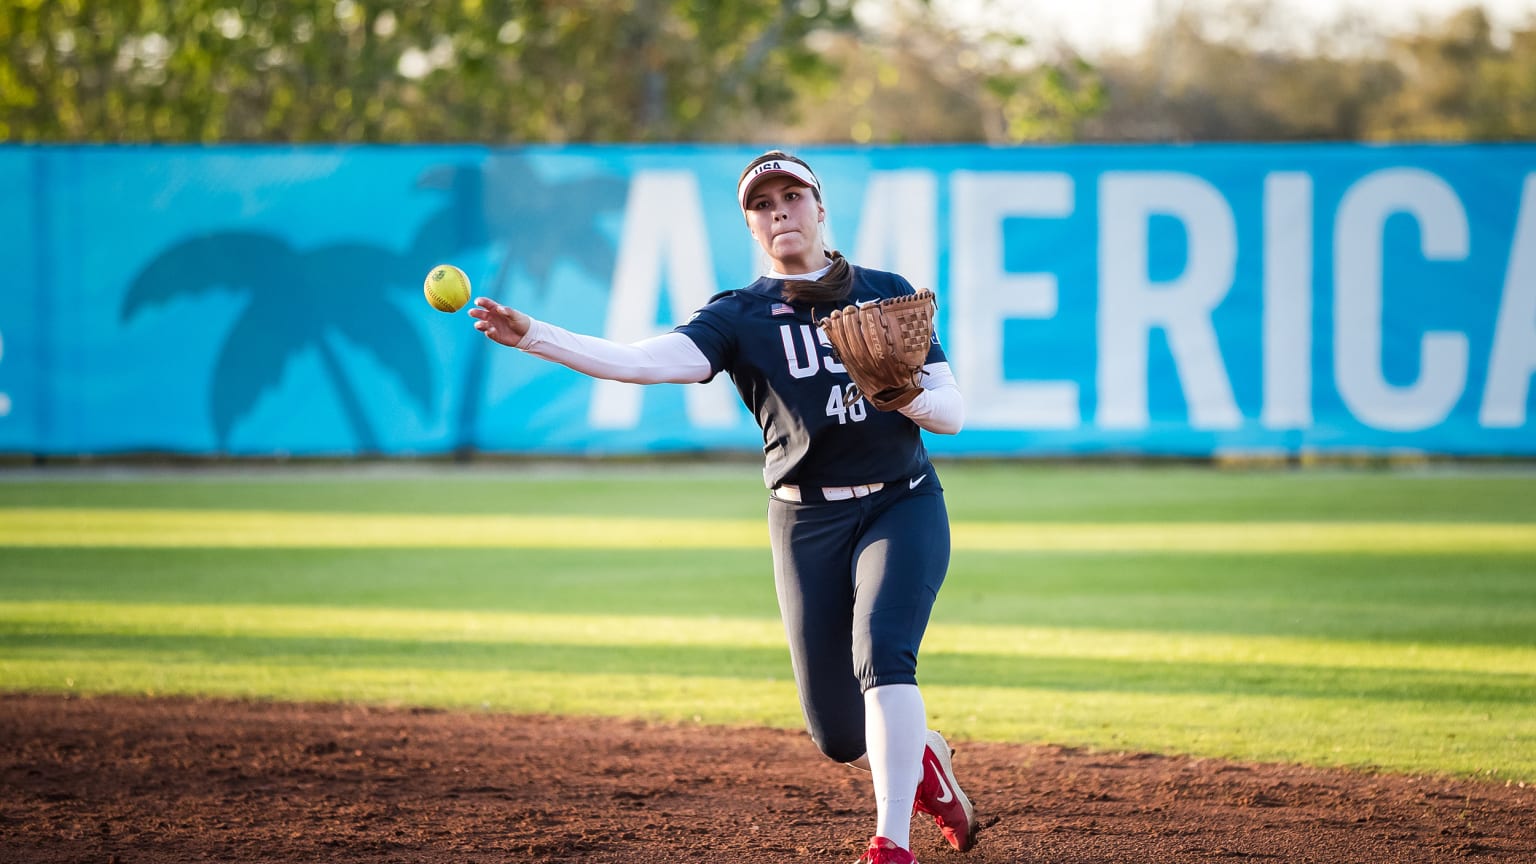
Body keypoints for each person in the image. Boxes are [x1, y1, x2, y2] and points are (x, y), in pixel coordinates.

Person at [468, 150, 975, 864]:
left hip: (902, 503)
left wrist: (905, 396)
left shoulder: (884, 293)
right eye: (762, 205)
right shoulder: (739, 315)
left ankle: (891, 842)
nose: (779, 212)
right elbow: (641, 361)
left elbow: (952, 414)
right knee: (838, 735)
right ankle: (921, 760)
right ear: (751, 226)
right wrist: (536, 335)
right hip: (805, 521)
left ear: (819, 207)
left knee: (883, 655)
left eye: (792, 197)